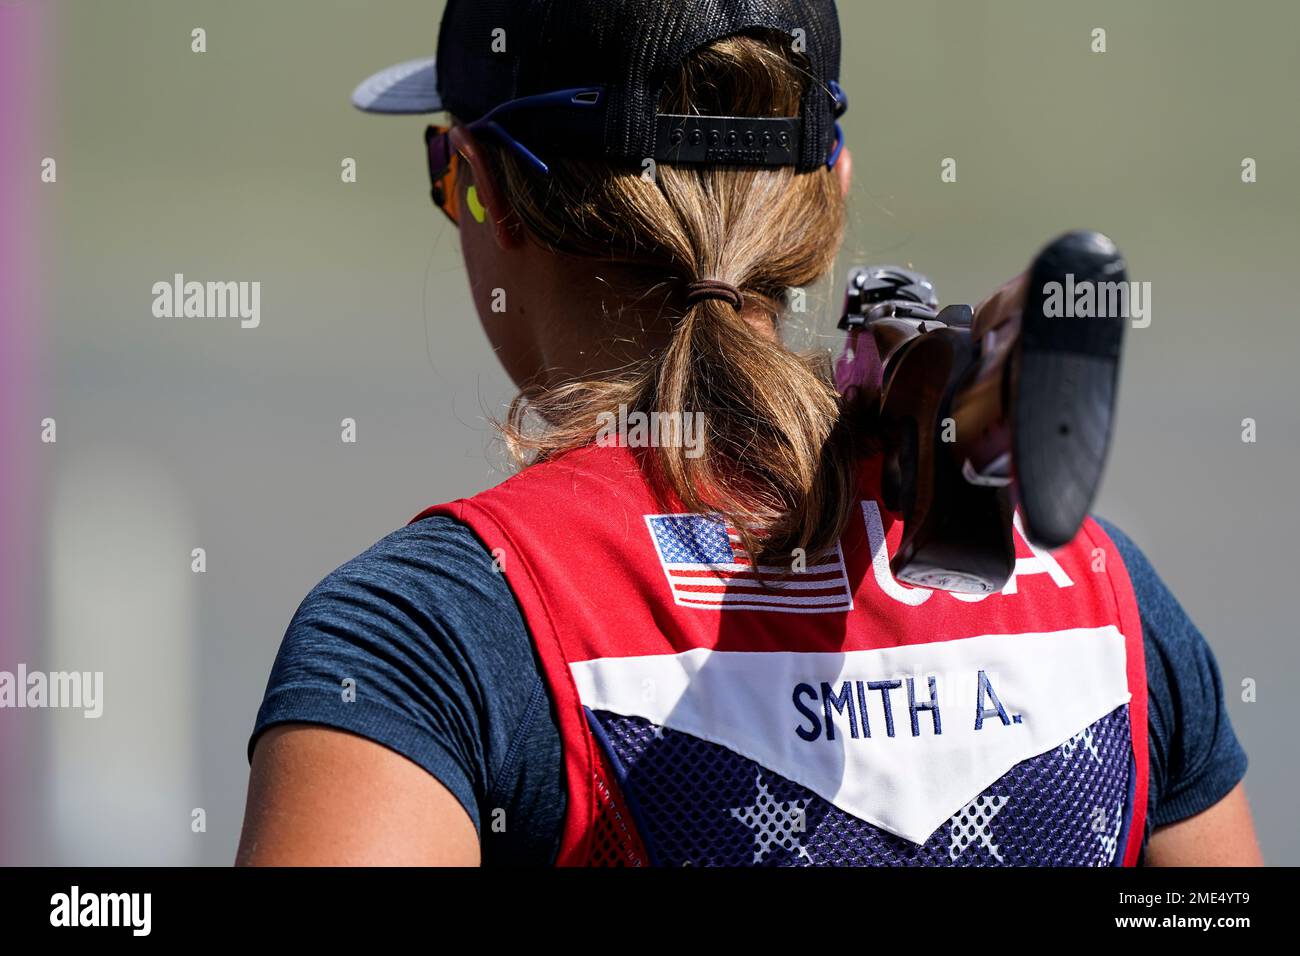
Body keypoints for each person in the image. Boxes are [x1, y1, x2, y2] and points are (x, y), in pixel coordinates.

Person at [237, 0, 1261, 867]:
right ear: (831, 187)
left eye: (444, 172)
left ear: (488, 188)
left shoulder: (424, 634)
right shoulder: (1100, 593)